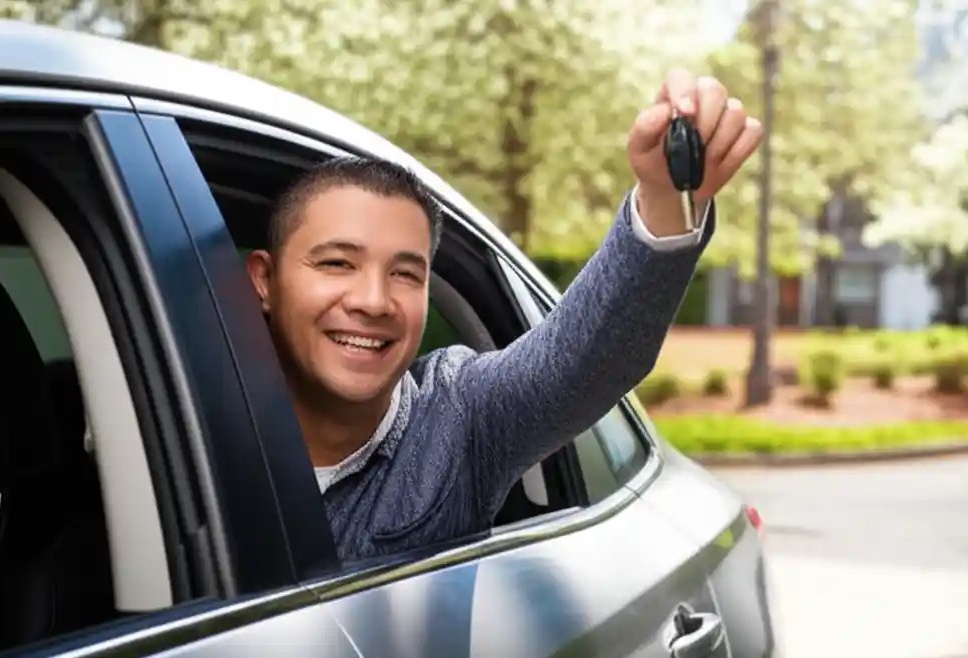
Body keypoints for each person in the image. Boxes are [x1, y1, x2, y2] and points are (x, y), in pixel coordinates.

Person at [246, 69, 764, 562]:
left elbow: (582, 360)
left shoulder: (457, 416)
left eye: (406, 274)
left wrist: (666, 201)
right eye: (337, 264)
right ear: (265, 281)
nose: (373, 301)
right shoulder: (181, 412)